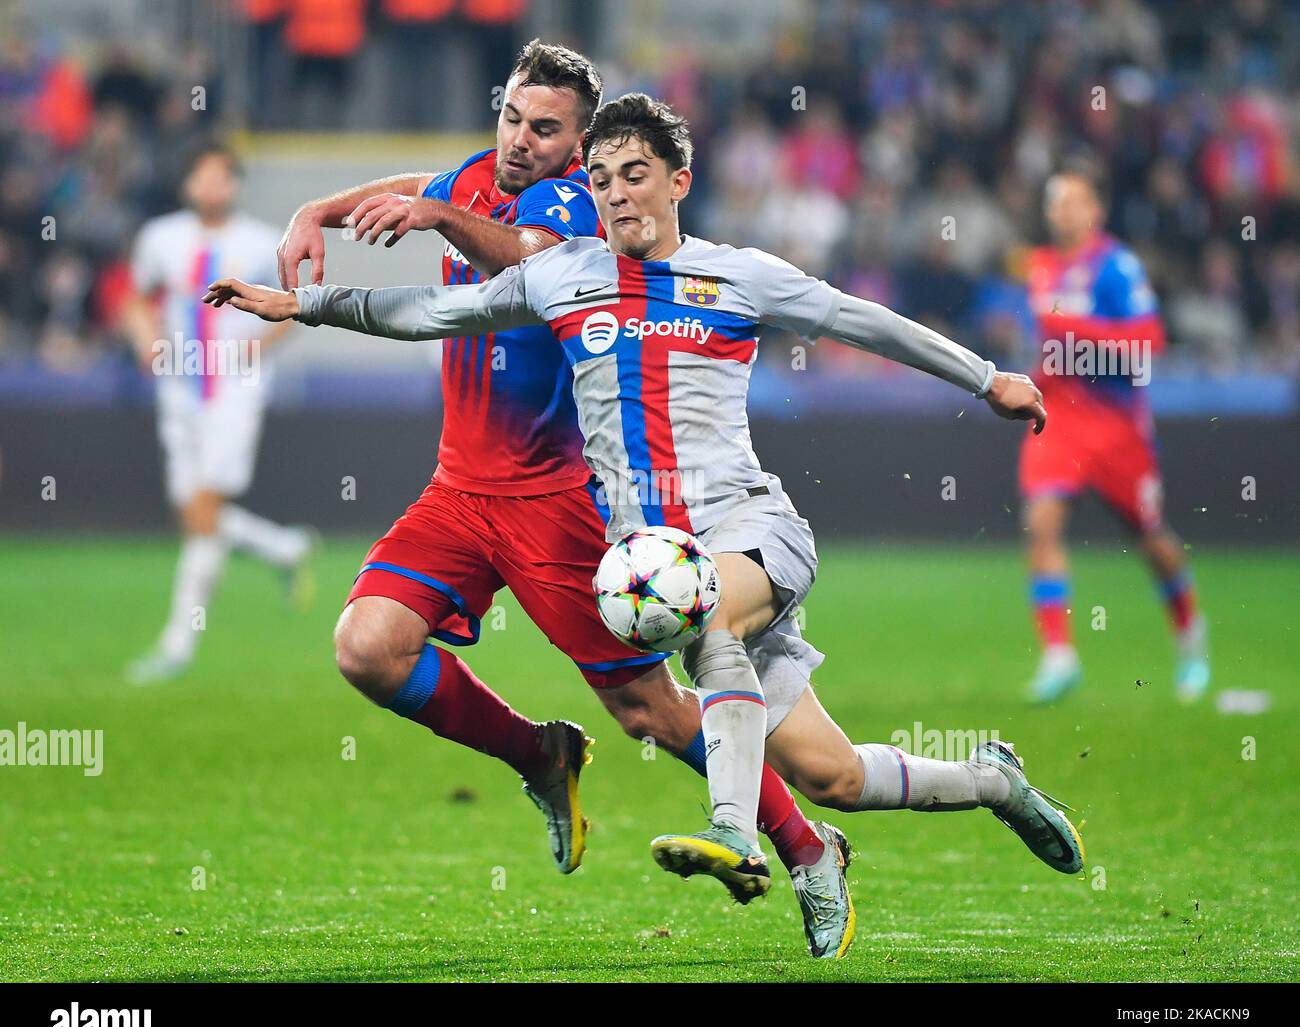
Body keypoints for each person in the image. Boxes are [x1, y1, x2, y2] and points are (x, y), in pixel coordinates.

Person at [206, 93, 1088, 959]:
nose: (618, 193)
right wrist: (309, 307)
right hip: (652, 560)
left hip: (749, 531)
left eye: (636, 175)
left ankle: (734, 834)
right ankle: (990, 782)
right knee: (835, 776)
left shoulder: (737, 274)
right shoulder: (564, 277)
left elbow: (866, 323)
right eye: (602, 178)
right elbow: (434, 314)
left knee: (707, 626)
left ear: (678, 182)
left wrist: (987, 379)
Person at [274, 42, 850, 957]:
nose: (518, 141)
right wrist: (318, 208)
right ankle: (539, 755)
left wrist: (434, 215)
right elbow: (440, 179)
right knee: (368, 649)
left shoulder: (580, 217)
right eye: (511, 116)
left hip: (556, 500)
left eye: (545, 131)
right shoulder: (478, 176)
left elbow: (521, 252)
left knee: (650, 712)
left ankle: (808, 847)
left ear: (582, 149)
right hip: (459, 488)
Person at [120, 143, 315, 685]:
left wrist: (259, 349)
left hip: (234, 389)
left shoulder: (260, 241)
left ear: (235, 186)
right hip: (179, 387)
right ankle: (285, 546)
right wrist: (145, 339)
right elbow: (137, 298)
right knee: (192, 514)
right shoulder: (161, 238)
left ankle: (177, 645)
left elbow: (297, 303)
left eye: (221, 177)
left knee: (204, 508)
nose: (211, 186)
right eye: (201, 177)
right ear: (188, 185)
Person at [1020, 168, 1209, 704]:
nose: (1063, 211)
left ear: (1095, 210)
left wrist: (1076, 331)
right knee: (1042, 522)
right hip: (1058, 415)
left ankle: (1190, 633)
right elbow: (1048, 338)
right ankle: (1059, 655)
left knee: (1151, 539)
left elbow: (1149, 341)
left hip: (1117, 425)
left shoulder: (1117, 266)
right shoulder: (1040, 267)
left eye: (1074, 201)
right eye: (1055, 202)